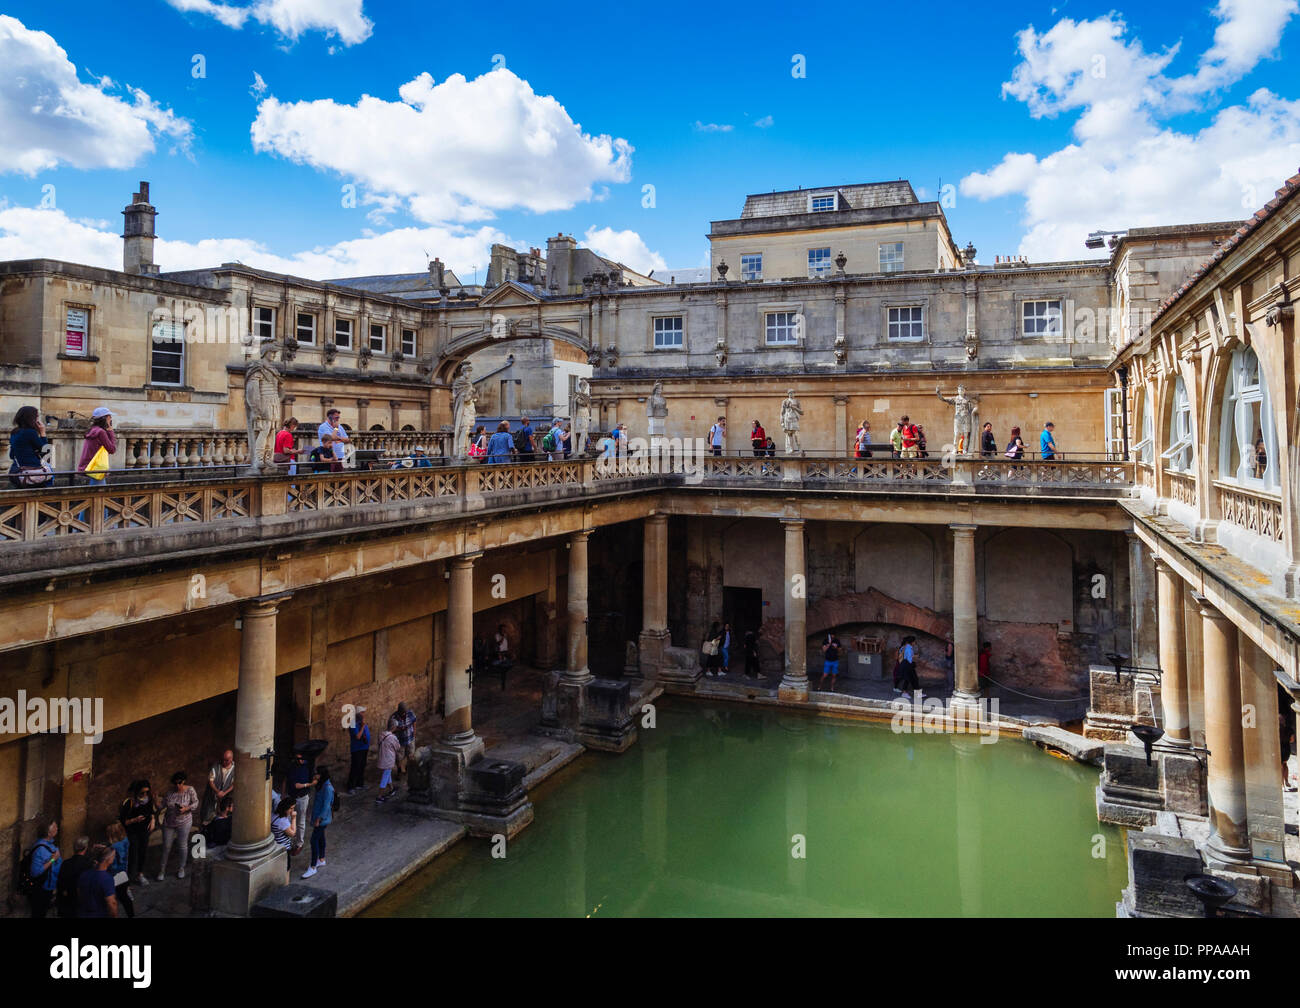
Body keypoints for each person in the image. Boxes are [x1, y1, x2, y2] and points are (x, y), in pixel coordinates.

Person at [157, 770, 199, 880]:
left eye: (180, 782)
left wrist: (186, 808)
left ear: (184, 781)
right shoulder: (170, 792)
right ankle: (162, 870)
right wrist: (154, 799)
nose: (178, 785)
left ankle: (181, 868)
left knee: (182, 845)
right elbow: (161, 806)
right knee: (166, 846)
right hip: (169, 822)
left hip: (184, 821)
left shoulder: (190, 790)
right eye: (175, 783)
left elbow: (195, 803)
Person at [119, 780, 154, 885]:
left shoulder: (148, 799)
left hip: (144, 831)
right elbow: (123, 821)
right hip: (133, 832)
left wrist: (153, 820)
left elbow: (151, 812)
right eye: (142, 793)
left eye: (147, 792)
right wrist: (134, 820)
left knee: (143, 852)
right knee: (133, 855)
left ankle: (140, 875)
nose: (144, 795)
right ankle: (128, 881)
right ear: (137, 792)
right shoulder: (129, 803)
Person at [302, 766, 335, 879]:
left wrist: (318, 819)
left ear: (321, 775)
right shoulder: (322, 784)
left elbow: (326, 806)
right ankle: (321, 859)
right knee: (321, 838)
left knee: (313, 840)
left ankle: (313, 867)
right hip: (319, 817)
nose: (314, 775)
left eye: (316, 773)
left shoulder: (328, 788)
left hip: (322, 819)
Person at [25, 820, 61, 917]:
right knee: (39, 913)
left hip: (49, 886)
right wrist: (53, 859)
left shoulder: (51, 844)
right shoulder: (40, 849)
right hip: (41, 889)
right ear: (48, 833)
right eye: (55, 827)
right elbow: (35, 872)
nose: (57, 828)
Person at [8, 405, 49, 488]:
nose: (38, 419)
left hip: (16, 473)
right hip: (32, 475)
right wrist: (43, 433)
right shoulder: (31, 432)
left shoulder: (14, 432)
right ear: (31, 418)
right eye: (37, 416)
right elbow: (46, 451)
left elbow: (11, 455)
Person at [55, 836, 93, 919]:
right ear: (85, 848)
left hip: (67, 902)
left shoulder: (66, 863)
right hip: (83, 904)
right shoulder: (89, 864)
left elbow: (60, 884)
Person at [76, 845, 119, 919]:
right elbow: (112, 903)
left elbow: (79, 892)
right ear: (108, 859)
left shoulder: (84, 874)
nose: (114, 858)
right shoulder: (106, 879)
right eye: (113, 856)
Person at [105, 822, 135, 918]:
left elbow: (113, 864)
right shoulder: (125, 840)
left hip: (115, 874)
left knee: (116, 898)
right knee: (125, 897)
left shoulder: (113, 846)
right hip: (123, 872)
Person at [79, 407, 117, 481]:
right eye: (109, 417)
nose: (111, 419)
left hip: (86, 468)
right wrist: (110, 430)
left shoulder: (92, 430)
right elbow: (112, 449)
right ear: (104, 419)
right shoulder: (101, 432)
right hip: (94, 470)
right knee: (99, 492)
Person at [202, 749, 235, 825]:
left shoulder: (236, 769)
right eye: (223, 760)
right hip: (213, 795)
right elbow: (211, 781)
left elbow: (234, 784)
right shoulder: (216, 767)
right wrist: (217, 791)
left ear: (231, 759)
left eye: (226, 760)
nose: (224, 762)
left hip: (226, 796)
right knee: (208, 815)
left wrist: (224, 793)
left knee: (224, 816)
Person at [288, 751, 313, 849]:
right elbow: (295, 785)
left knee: (301, 821)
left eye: (302, 758)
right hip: (292, 796)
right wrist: (309, 784)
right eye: (298, 759)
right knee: (289, 819)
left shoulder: (308, 766)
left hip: (302, 797)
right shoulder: (292, 767)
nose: (300, 760)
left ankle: (299, 843)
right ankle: (289, 841)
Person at [376, 718, 402, 803]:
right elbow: (398, 747)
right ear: (394, 727)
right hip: (388, 759)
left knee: (387, 774)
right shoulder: (392, 738)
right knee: (385, 776)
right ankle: (379, 796)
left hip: (382, 758)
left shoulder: (381, 734)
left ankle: (391, 788)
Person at [270, 796, 297, 875]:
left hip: (275, 845)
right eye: (291, 808)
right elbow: (293, 833)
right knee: (286, 869)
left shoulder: (274, 815)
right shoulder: (282, 821)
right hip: (284, 848)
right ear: (285, 808)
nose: (292, 811)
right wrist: (294, 818)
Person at [347, 710, 370, 793]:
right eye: (362, 714)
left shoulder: (361, 723)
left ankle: (359, 784)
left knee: (362, 766)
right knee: (355, 767)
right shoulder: (353, 725)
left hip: (364, 748)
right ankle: (351, 787)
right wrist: (363, 726)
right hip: (357, 749)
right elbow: (358, 736)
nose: (364, 716)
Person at [392, 701, 416, 772]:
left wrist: (414, 732)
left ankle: (408, 768)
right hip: (400, 741)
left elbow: (414, 721)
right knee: (399, 757)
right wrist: (399, 729)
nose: (404, 714)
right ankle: (399, 771)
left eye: (405, 712)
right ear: (399, 711)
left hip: (410, 739)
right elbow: (391, 730)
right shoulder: (394, 717)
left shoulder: (410, 713)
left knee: (411, 755)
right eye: (402, 713)